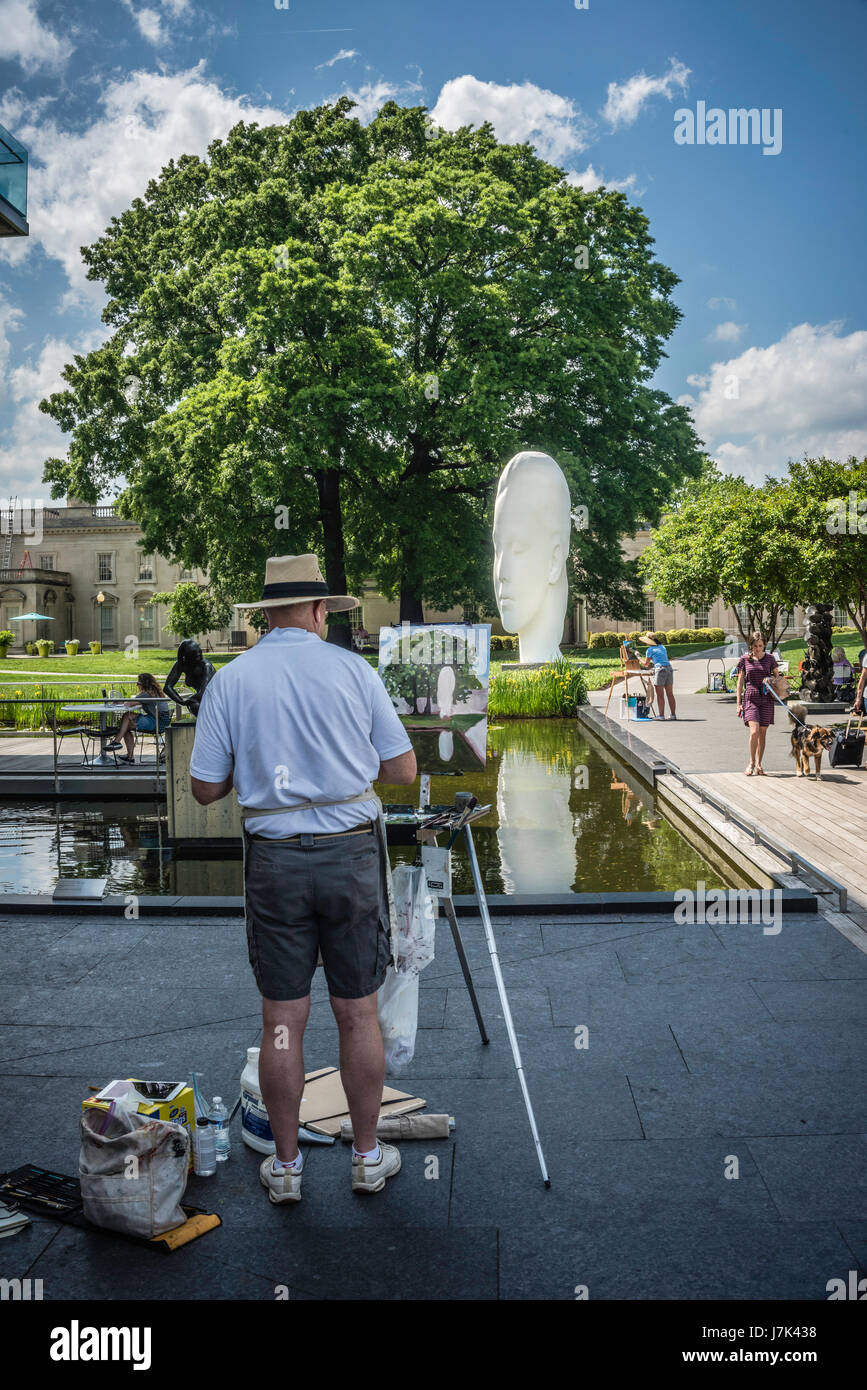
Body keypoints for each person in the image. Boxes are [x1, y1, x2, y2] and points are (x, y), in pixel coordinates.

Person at [189, 554, 417, 1204]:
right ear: (321, 610)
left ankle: (286, 1168)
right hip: (349, 858)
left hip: (275, 862)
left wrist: (257, 765)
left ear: (266, 615)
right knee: (357, 1013)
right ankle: (368, 1158)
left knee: (282, 1021)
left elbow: (204, 789)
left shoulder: (233, 680)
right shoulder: (352, 670)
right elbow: (400, 772)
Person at [735, 632, 778, 776]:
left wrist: (770, 680)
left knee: (762, 733)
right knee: (754, 732)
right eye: (755, 646)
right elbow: (740, 682)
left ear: (764, 645)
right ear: (751, 646)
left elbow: (778, 679)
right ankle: (751, 763)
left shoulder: (770, 659)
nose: (758, 649)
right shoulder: (745, 660)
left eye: (760, 646)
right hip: (751, 696)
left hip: (766, 698)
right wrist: (738, 703)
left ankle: (759, 764)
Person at [106, 674, 171, 763]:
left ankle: (117, 742)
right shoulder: (153, 693)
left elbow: (129, 704)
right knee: (126, 727)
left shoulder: (146, 694)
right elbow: (134, 702)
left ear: (144, 684)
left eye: (138, 683)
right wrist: (121, 702)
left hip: (157, 723)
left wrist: (120, 702)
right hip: (161, 721)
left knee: (126, 716)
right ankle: (129, 756)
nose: (137, 685)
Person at [639, 631, 677, 719]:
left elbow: (645, 664)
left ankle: (661, 715)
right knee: (670, 694)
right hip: (669, 668)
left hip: (660, 670)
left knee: (660, 695)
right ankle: (673, 715)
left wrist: (638, 657)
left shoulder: (650, 650)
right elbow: (660, 658)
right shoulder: (662, 647)